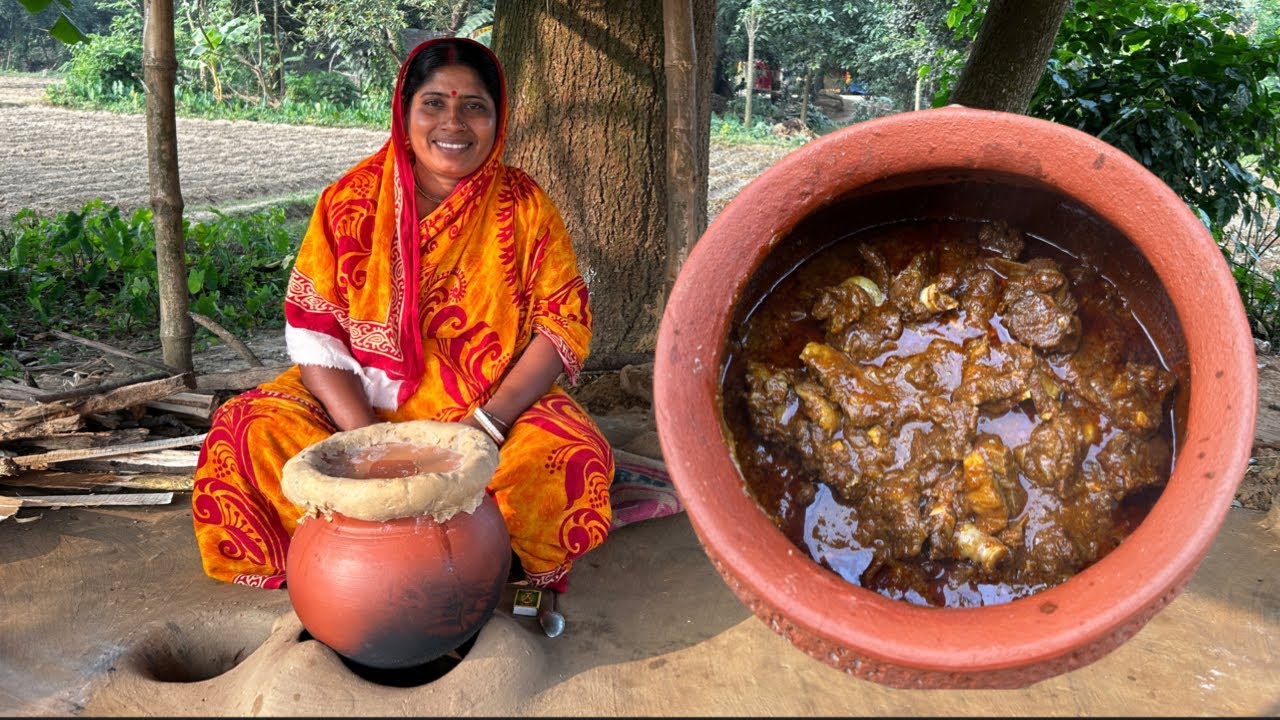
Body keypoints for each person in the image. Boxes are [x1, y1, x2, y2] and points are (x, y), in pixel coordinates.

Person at [191, 37, 614, 593]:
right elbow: (315, 336)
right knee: (245, 432)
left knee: (568, 454)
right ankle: (341, 567)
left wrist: (487, 426)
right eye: (434, 103)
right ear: (405, 111)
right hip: (359, 409)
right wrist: (368, 448)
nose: (453, 123)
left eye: (475, 106)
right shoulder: (350, 202)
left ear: (498, 118)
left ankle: (487, 567)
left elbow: (562, 324)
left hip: (484, 413)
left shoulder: (526, 205)